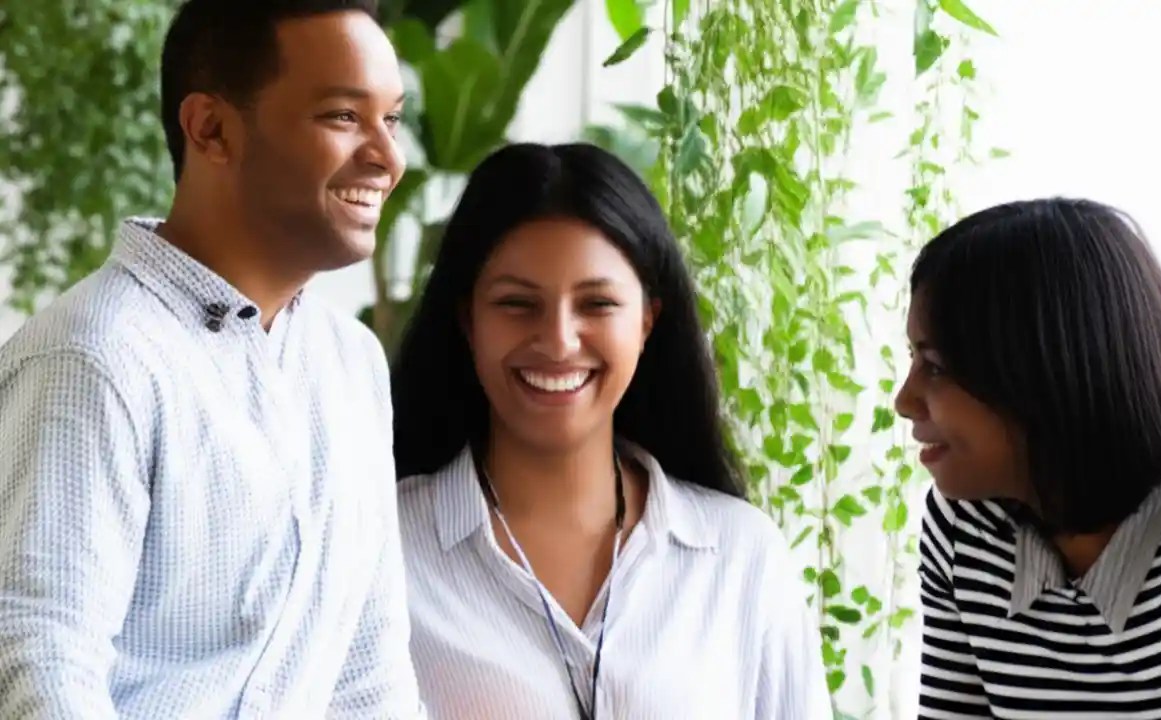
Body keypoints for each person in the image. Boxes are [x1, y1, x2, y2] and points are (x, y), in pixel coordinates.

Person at [0, 1, 424, 716]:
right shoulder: (95, 359)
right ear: (212, 129)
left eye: (394, 118)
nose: (387, 157)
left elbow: (368, 673)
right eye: (344, 117)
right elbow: (42, 663)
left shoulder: (351, 362)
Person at [391, 142, 829, 719]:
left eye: (597, 303)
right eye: (517, 304)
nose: (558, 341)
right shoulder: (382, 548)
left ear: (647, 321)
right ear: (467, 319)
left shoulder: (741, 556)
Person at [896, 197, 1161, 719]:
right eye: (912, 359)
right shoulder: (963, 527)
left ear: (1041, 373)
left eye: (935, 366)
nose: (904, 401)